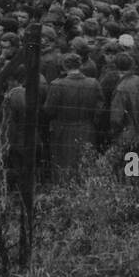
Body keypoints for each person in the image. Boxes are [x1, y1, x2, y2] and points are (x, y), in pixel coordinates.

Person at [44, 53, 103, 183]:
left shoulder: (57, 85)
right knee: (85, 165)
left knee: (64, 165)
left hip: (63, 130)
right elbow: (100, 109)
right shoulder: (93, 83)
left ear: (64, 66)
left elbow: (49, 110)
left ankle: (64, 190)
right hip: (87, 128)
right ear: (80, 65)